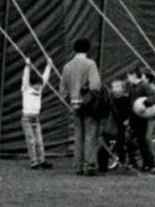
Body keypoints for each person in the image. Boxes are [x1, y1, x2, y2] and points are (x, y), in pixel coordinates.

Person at [61, 38, 103, 174]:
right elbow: (95, 86)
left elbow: (63, 90)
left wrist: (72, 99)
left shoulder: (67, 66)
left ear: (74, 49)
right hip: (89, 105)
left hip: (75, 104)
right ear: (88, 49)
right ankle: (90, 165)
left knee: (78, 136)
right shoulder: (90, 64)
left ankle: (78, 166)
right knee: (90, 135)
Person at [124, 66, 155, 176]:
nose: (128, 79)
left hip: (141, 118)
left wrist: (145, 105)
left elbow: (154, 97)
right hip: (133, 118)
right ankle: (133, 163)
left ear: (134, 75)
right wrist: (127, 118)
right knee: (130, 140)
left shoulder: (145, 86)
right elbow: (130, 104)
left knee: (142, 141)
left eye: (128, 76)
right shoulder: (132, 87)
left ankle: (152, 166)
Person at [20, 57, 54, 170]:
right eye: (37, 85)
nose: (39, 87)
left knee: (39, 141)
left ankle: (42, 160)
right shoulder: (26, 89)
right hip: (27, 119)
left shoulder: (39, 89)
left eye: (40, 85)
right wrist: (27, 66)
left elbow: (45, 77)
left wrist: (49, 65)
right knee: (31, 141)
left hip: (36, 119)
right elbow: (25, 78)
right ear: (32, 84)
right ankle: (34, 162)